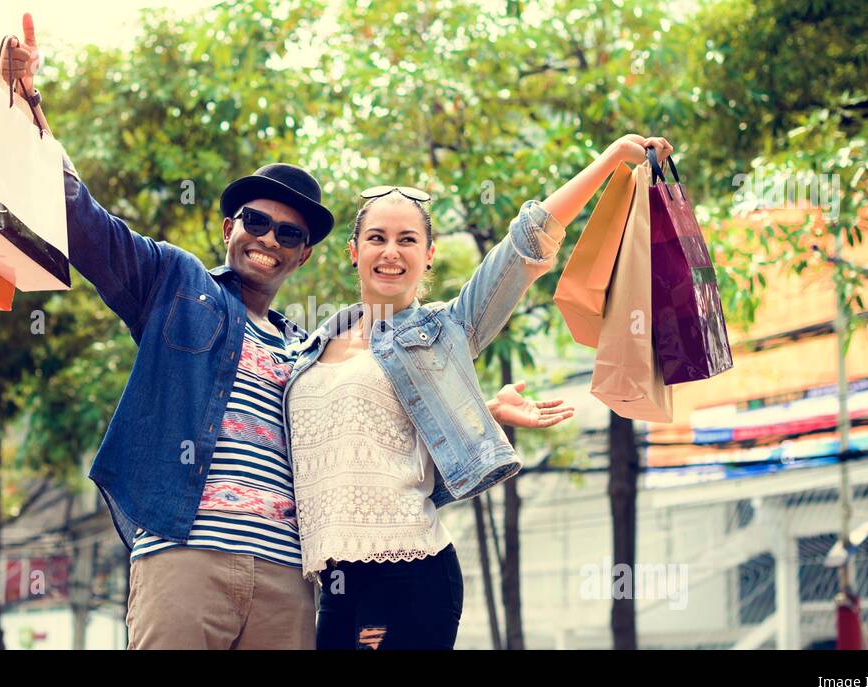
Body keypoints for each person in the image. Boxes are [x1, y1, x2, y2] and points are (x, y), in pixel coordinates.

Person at [0, 13, 577, 650]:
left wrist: (471, 407)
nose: (269, 239)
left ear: (303, 255)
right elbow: (90, 228)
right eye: (256, 221)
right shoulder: (173, 285)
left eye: (290, 234)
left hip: (292, 581)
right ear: (229, 227)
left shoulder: (308, 350)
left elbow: (367, 435)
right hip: (187, 556)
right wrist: (30, 114)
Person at [286, 132, 672, 650]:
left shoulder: (445, 330)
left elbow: (525, 247)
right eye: (377, 238)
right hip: (333, 585)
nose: (391, 252)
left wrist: (610, 160)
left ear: (428, 256)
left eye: (407, 240)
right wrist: (481, 409)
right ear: (354, 252)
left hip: (411, 572)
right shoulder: (308, 347)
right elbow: (370, 433)